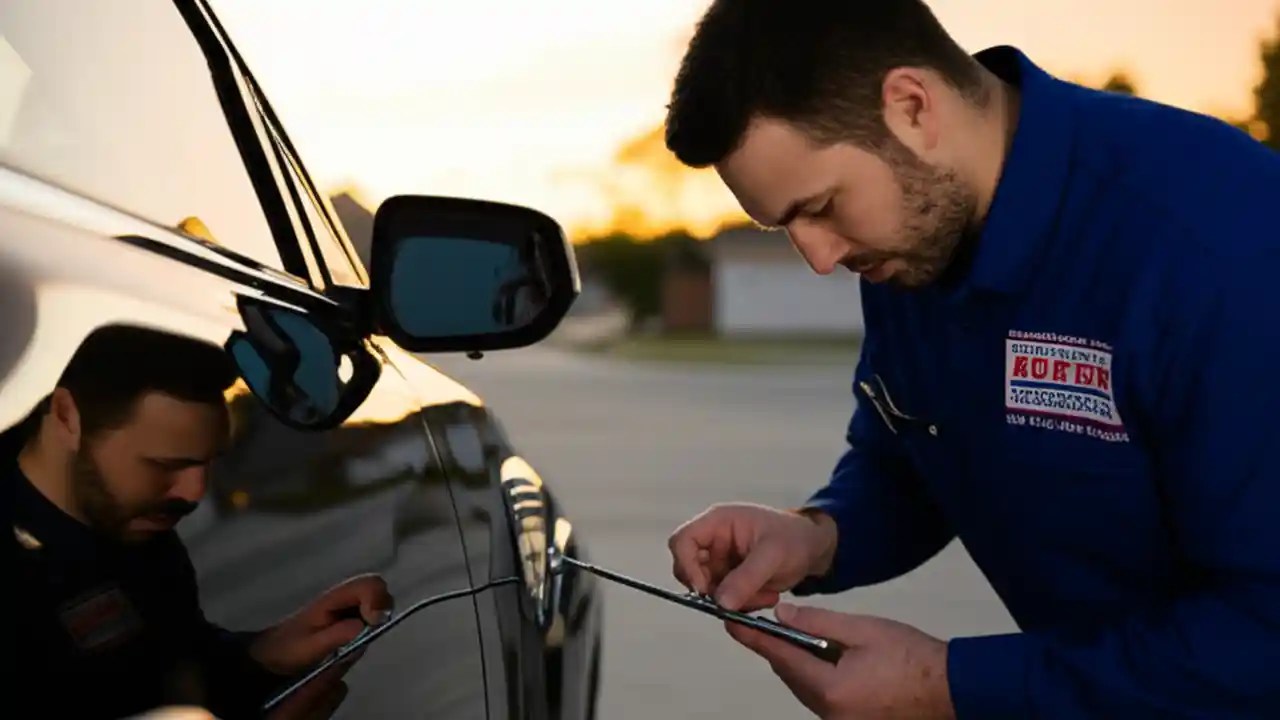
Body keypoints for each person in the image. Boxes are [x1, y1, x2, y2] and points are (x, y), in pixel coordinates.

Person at [663, 1, 1280, 718]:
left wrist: (948, 686)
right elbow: (915, 453)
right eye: (785, 228)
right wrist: (818, 535)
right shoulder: (911, 245)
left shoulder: (1223, 248)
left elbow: (1266, 629)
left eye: (824, 206)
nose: (820, 258)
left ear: (912, 107)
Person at [10, 325, 393, 719]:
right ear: (66, 416)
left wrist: (267, 655)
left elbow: (167, 670)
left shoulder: (137, 532)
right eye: (165, 465)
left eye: (206, 463)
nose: (194, 492)